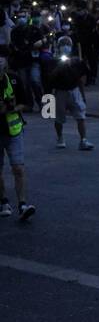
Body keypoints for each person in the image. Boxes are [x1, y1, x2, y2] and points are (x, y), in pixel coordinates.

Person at [0, 47, 36, 219]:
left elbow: (27, 103)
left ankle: (22, 204)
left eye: (2, 58)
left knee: (18, 168)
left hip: (14, 131)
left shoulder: (14, 79)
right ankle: (4, 202)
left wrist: (11, 108)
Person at [47, 37, 94, 151]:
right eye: (63, 44)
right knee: (59, 118)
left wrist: (82, 95)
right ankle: (60, 138)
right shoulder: (53, 61)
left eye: (67, 44)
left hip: (74, 91)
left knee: (81, 115)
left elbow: (81, 78)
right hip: (60, 92)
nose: (65, 46)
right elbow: (50, 78)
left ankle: (83, 140)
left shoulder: (76, 61)